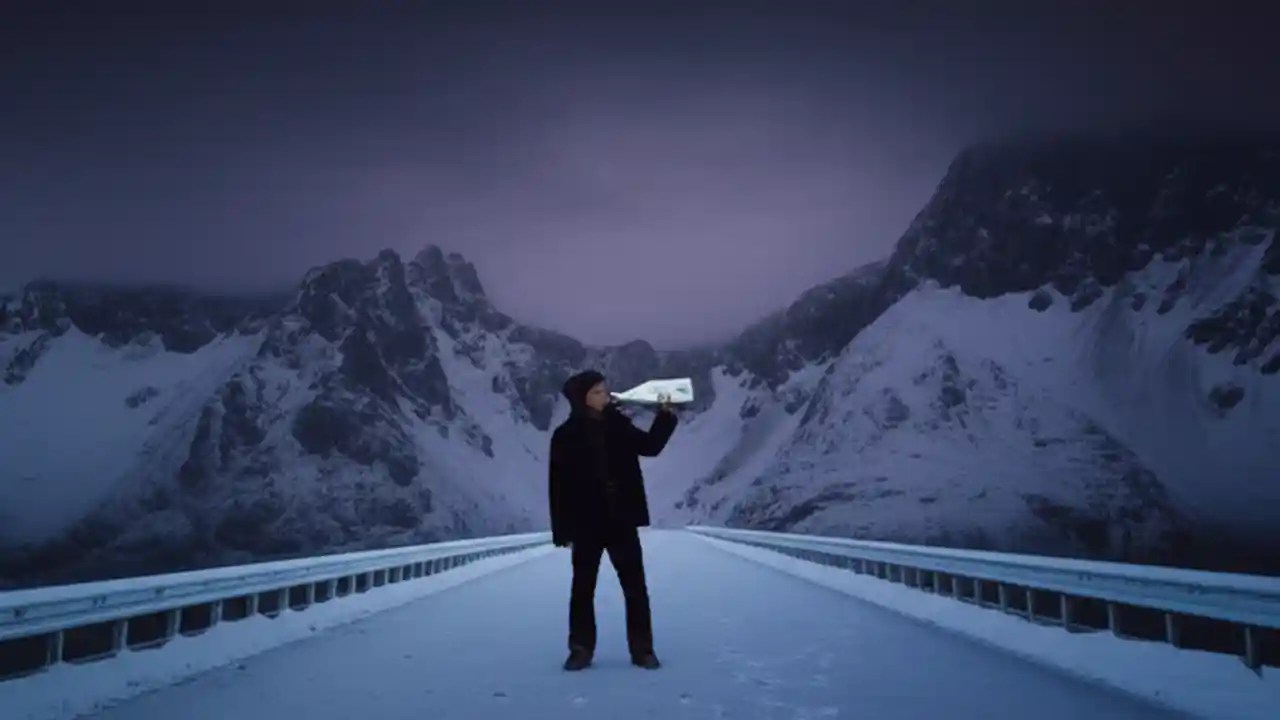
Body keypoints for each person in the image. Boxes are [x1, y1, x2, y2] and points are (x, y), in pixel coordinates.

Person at [548, 369, 678, 671]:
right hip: (585, 524)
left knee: (635, 587)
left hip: (621, 519)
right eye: (596, 392)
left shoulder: (619, 425)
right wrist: (561, 530)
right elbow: (558, 487)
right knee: (582, 589)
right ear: (581, 399)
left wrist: (666, 416)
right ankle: (580, 649)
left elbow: (651, 447)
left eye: (604, 390)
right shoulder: (564, 436)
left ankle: (643, 650)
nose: (604, 395)